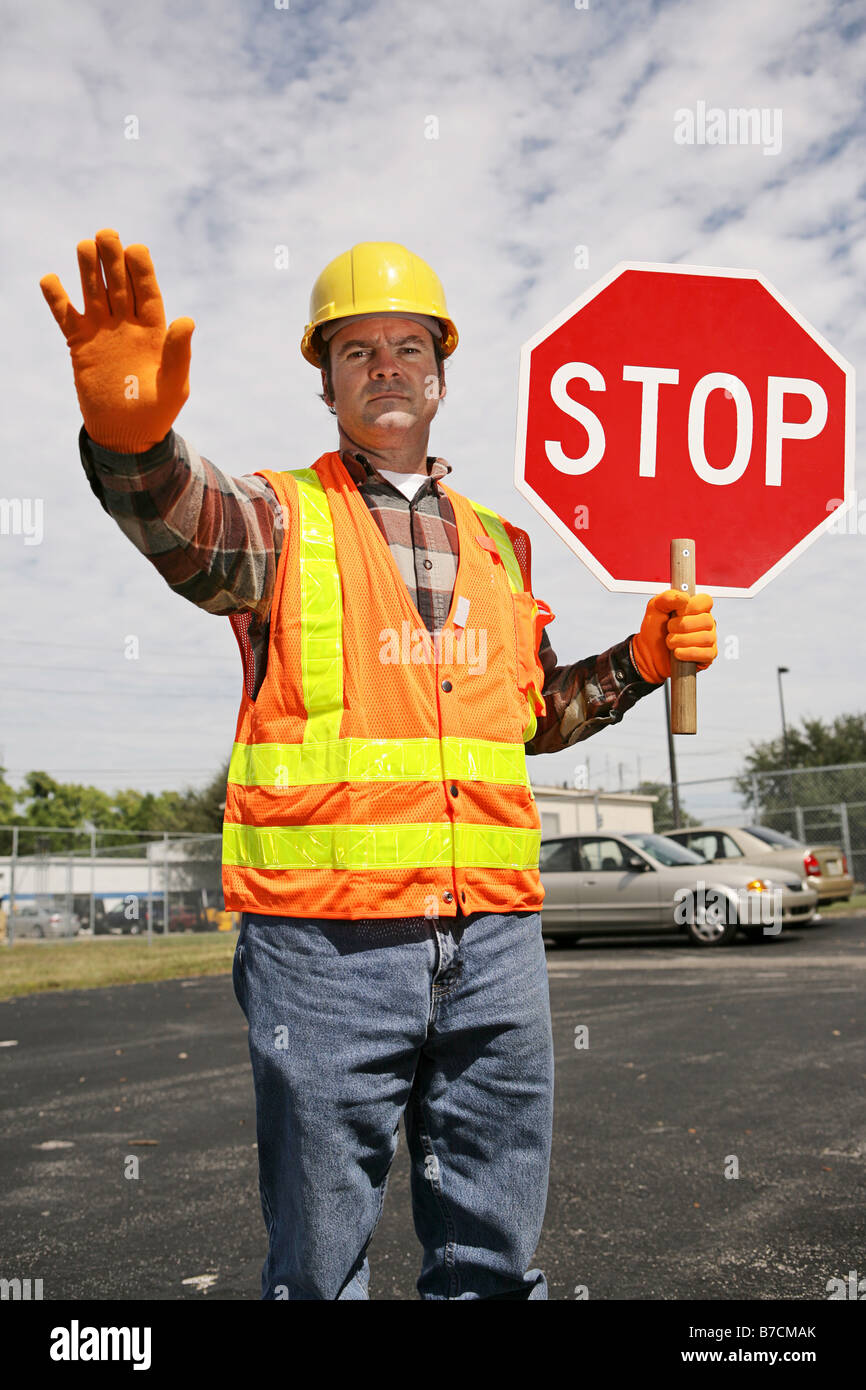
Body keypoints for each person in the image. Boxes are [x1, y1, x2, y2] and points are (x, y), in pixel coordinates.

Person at [40, 230, 718, 1300]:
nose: (388, 367)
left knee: (490, 1256)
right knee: (318, 1262)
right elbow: (183, 518)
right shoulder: (278, 518)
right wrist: (132, 434)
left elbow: (531, 716)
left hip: (494, 941)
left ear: (442, 372)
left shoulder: (503, 545)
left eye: (409, 346)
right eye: (358, 351)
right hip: (325, 950)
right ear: (326, 380)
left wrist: (639, 660)